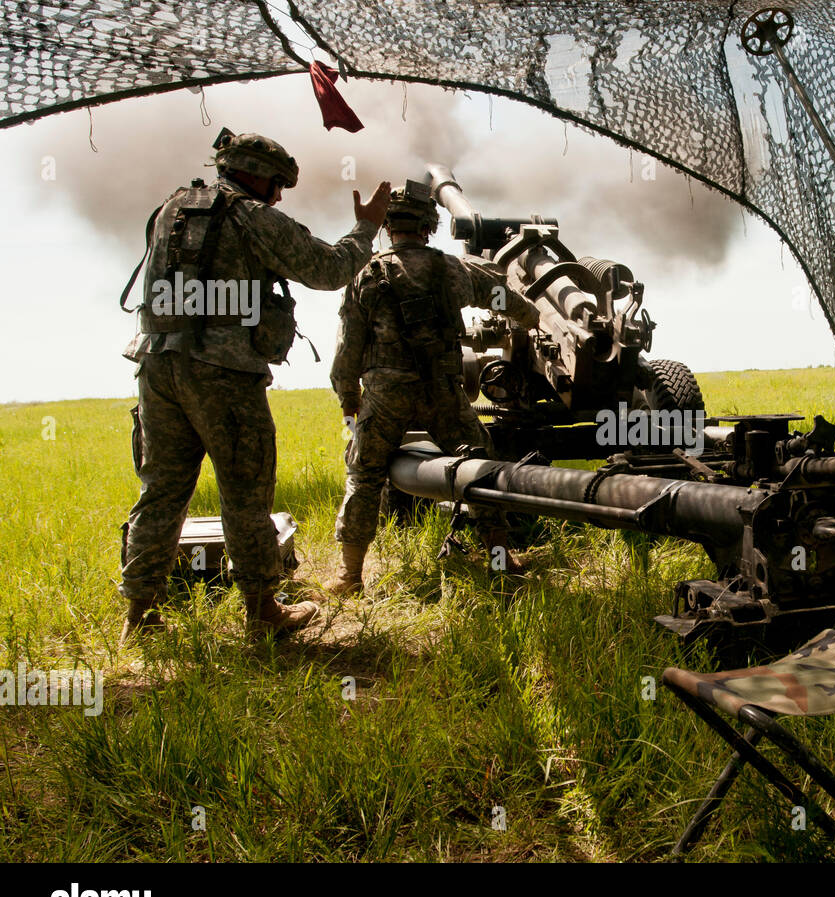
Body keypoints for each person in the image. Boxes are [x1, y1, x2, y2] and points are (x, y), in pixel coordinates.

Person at [119, 127, 391, 639]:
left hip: (157, 366)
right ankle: (263, 612)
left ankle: (139, 617)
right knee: (244, 493)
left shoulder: (170, 209)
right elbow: (330, 269)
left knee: (161, 491)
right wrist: (365, 227)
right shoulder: (251, 217)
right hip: (223, 375)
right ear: (259, 177)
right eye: (278, 184)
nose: (281, 195)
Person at [327, 180, 539, 595]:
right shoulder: (452, 269)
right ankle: (501, 563)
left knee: (364, 474)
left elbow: (346, 354)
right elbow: (504, 298)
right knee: (481, 470)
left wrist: (349, 403)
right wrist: (529, 317)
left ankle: (349, 577)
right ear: (429, 226)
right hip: (444, 392)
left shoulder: (366, 275)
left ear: (388, 227)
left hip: (386, 396)